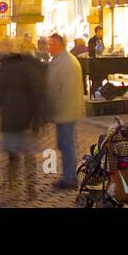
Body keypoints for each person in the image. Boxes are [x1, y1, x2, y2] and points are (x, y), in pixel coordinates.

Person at [0, 37, 44, 200]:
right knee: (29, 153)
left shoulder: (3, 68)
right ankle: (31, 187)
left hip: (9, 114)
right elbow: (37, 92)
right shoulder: (29, 67)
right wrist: (37, 117)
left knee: (12, 152)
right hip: (27, 114)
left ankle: (12, 185)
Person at [44, 32, 84, 191]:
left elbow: (62, 90)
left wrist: (52, 108)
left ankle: (70, 178)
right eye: (49, 45)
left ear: (60, 45)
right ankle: (70, 176)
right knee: (67, 145)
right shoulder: (60, 60)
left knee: (67, 145)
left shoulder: (65, 63)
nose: (49, 48)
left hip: (66, 111)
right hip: (67, 110)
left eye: (52, 45)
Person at [86, 25, 105, 98]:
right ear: (96, 32)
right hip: (94, 63)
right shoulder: (92, 40)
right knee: (95, 79)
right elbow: (91, 50)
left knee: (100, 79)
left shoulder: (101, 40)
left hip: (100, 62)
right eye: (100, 32)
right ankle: (94, 92)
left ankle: (100, 90)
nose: (101, 33)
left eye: (102, 32)